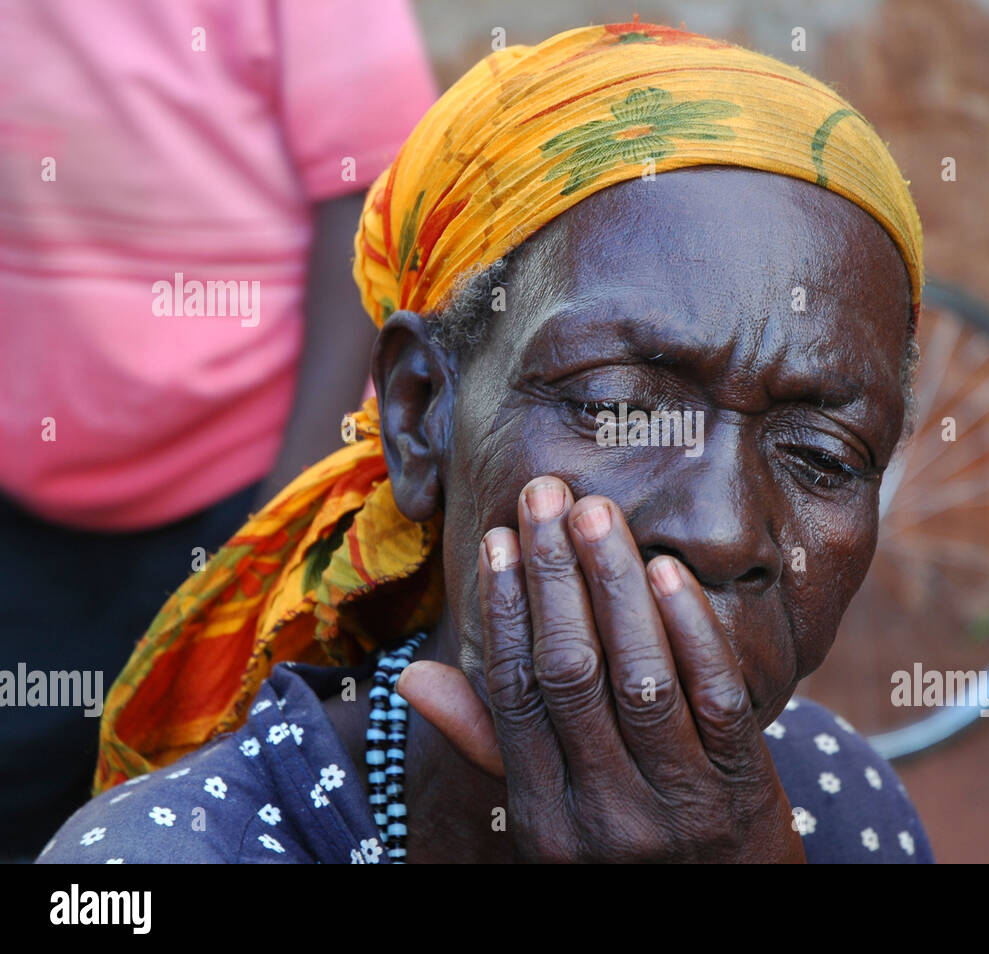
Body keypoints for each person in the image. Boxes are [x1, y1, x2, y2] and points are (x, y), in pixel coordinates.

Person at [39, 20, 932, 863]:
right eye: (621, 406)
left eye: (823, 456)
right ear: (421, 413)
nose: (723, 530)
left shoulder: (841, 801)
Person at [0, 0, 435, 858]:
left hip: (236, 493)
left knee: (198, 821)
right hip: (21, 511)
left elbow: (366, 195)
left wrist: (276, 530)